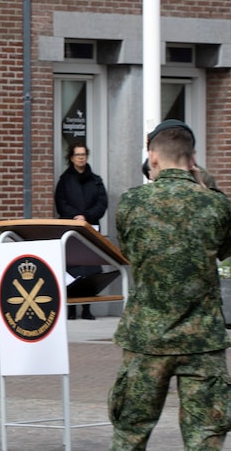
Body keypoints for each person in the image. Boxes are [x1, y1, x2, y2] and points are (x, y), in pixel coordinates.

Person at [108, 119, 231, 450]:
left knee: (129, 433)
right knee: (206, 436)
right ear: (193, 160)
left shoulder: (132, 202)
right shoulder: (217, 204)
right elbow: (224, 250)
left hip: (147, 339)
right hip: (202, 340)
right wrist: (209, 186)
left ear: (153, 158)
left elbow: (131, 251)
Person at [53, 143, 108, 320]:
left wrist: (86, 216)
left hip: (90, 228)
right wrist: (75, 217)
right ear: (71, 158)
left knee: (90, 269)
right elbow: (60, 202)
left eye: (83, 154)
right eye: (77, 155)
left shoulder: (96, 180)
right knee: (71, 268)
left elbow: (102, 204)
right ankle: (70, 307)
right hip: (70, 229)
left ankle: (86, 308)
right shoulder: (64, 180)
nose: (81, 158)